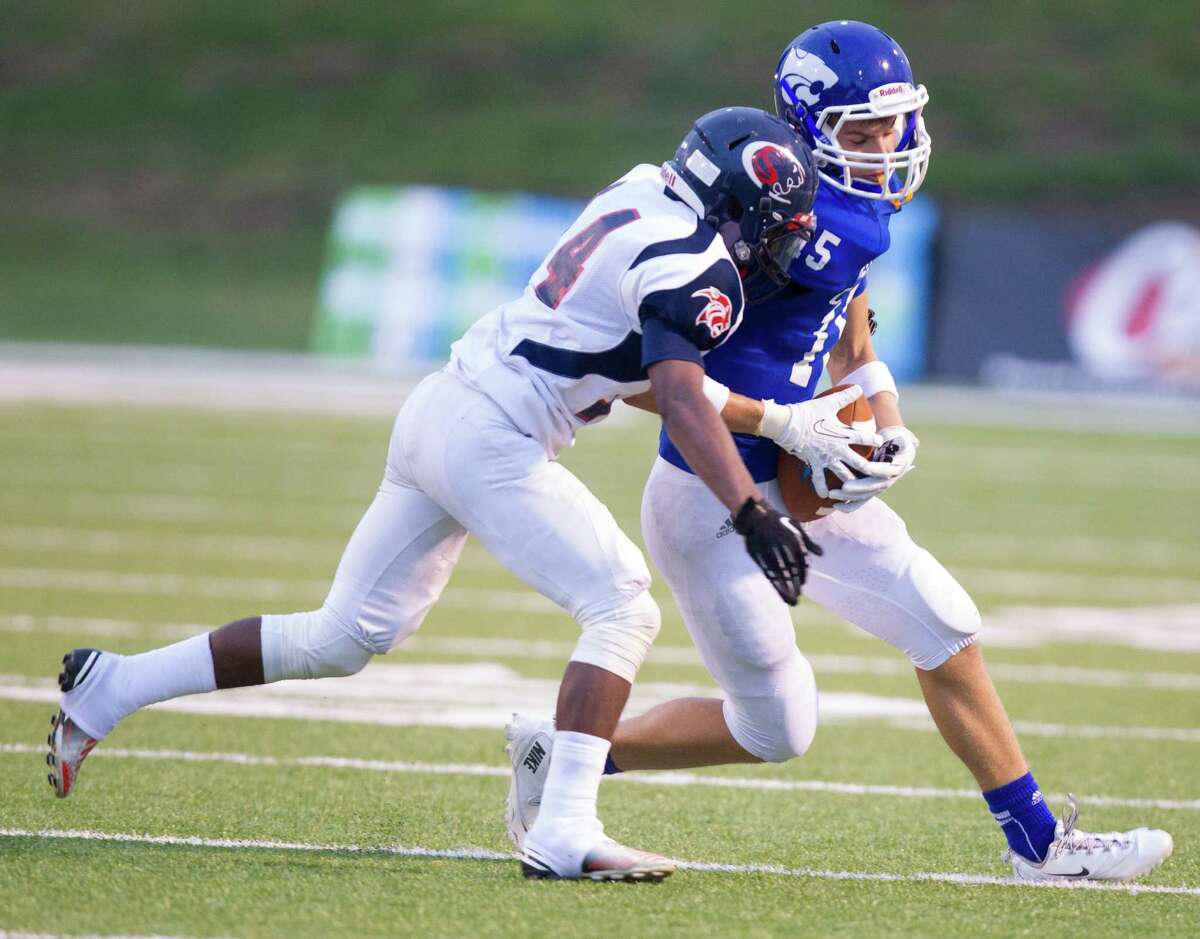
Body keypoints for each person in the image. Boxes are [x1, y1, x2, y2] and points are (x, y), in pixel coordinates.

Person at [44, 107, 864, 882]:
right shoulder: (697, 270)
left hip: (443, 405)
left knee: (343, 634)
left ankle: (112, 685)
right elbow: (678, 393)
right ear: (733, 201)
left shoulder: (640, 189)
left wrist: (779, 426)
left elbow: (647, 372)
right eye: (770, 223)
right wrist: (750, 509)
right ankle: (566, 826)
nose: (773, 246)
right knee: (622, 604)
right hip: (494, 435)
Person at [505, 21, 1174, 883]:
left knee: (944, 619)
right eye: (861, 133)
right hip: (714, 503)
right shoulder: (755, 218)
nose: (886, 147)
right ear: (809, 130)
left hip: (803, 477)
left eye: (892, 125)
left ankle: (1038, 843)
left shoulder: (854, 209)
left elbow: (852, 346)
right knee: (778, 729)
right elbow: (650, 376)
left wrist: (883, 421)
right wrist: (786, 424)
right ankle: (563, 759)